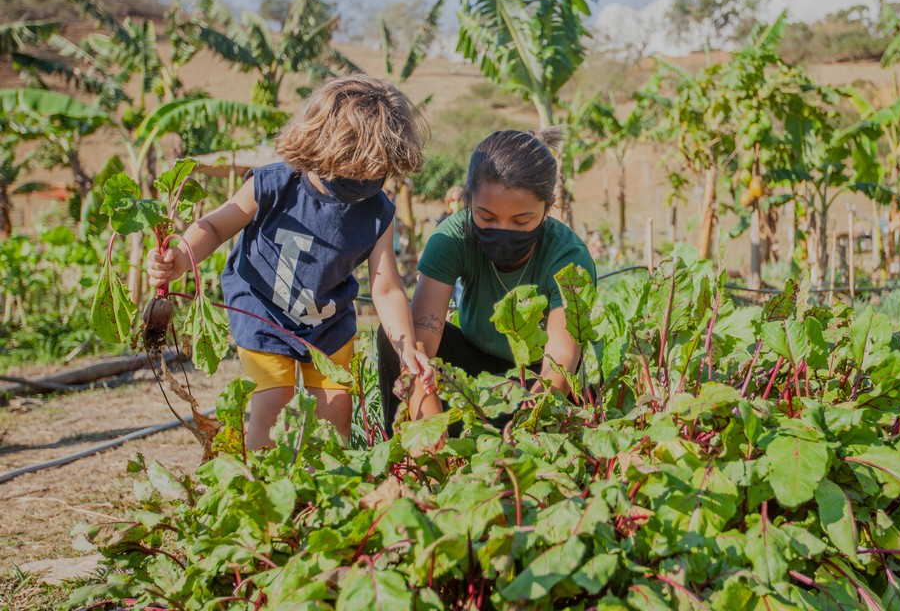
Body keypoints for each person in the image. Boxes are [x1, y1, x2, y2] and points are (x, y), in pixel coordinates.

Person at [148, 75, 435, 449]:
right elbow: (216, 227)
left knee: (336, 410)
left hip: (327, 318)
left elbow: (386, 287)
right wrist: (182, 258)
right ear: (319, 146)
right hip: (262, 310)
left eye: (374, 175)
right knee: (273, 400)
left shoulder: (378, 211)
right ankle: (262, 478)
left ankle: (327, 480)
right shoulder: (273, 185)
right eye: (352, 173)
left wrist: (406, 345)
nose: (362, 184)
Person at [378, 128, 596, 430]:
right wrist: (429, 430)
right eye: (487, 217)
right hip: (474, 378)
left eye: (521, 220)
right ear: (468, 201)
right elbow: (421, 344)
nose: (503, 230)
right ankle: (407, 445)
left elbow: (560, 359)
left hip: (541, 383)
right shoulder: (452, 238)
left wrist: (526, 429)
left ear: (547, 208)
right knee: (397, 336)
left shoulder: (569, 256)